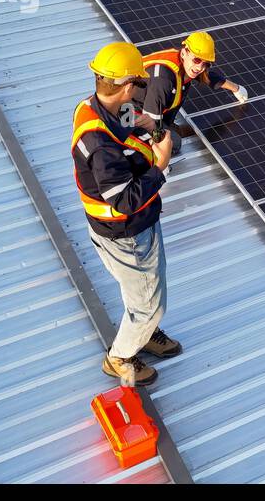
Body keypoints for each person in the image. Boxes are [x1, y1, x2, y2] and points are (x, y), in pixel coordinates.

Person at [71, 42, 182, 387]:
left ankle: (143, 333)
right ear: (127, 86)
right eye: (137, 83)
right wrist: (161, 165)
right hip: (128, 233)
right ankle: (120, 357)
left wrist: (143, 121)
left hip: (117, 231)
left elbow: (118, 122)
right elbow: (124, 200)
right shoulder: (100, 147)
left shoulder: (91, 108)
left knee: (140, 296)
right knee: (150, 303)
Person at [136, 31, 248, 156]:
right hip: (130, 114)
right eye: (197, 60)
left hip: (150, 108)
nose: (200, 67)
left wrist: (236, 88)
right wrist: (160, 157)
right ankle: (143, 143)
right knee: (174, 143)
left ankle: (169, 127)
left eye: (206, 64)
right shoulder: (164, 79)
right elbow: (151, 119)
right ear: (184, 52)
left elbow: (208, 77)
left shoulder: (184, 63)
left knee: (180, 91)